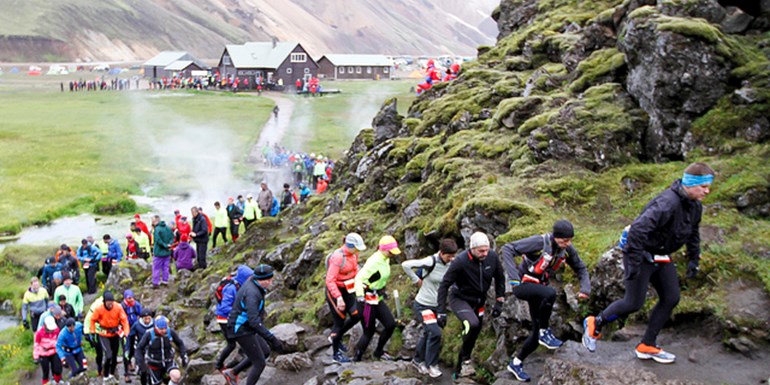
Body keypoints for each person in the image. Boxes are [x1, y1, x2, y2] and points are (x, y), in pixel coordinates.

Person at [583, 163, 715, 364]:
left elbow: (693, 232)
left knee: (671, 297)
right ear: (691, 183)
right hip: (641, 253)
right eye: (704, 186)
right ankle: (595, 322)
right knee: (633, 303)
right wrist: (634, 264)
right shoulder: (667, 203)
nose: (707, 191)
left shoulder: (695, 206)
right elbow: (637, 230)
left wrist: (693, 260)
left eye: (708, 186)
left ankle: (647, 345)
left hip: (662, 254)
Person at [501, 220, 591, 382]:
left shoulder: (566, 250)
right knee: (550, 293)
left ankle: (516, 362)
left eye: (570, 240)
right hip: (522, 285)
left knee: (534, 333)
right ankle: (544, 331)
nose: (567, 244)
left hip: (538, 289)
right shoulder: (539, 242)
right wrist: (513, 278)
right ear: (555, 237)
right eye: (564, 241)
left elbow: (581, 267)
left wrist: (585, 289)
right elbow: (507, 248)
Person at [436, 232, 505, 380]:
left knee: (474, 332)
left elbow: (500, 277)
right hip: (459, 299)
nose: (484, 254)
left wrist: (499, 300)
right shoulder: (460, 261)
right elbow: (444, 285)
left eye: (486, 250)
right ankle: (465, 359)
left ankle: (460, 367)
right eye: (481, 251)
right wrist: (441, 311)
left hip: (478, 301)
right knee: (472, 324)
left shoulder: (492, 257)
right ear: (472, 248)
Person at [401, 238, 458, 378]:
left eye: (453, 255)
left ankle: (418, 360)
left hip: (437, 307)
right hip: (423, 305)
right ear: (442, 253)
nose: (451, 258)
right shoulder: (430, 261)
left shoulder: (451, 264)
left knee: (428, 333)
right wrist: (416, 280)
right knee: (435, 333)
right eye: (449, 256)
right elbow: (405, 265)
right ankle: (431, 365)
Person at [226, 264, 284, 385]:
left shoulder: (255, 283)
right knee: (259, 363)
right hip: (240, 328)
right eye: (268, 280)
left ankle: (232, 372)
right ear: (261, 280)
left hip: (247, 325)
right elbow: (254, 321)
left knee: (265, 351)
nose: (271, 282)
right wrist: (272, 339)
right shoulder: (252, 293)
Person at [353, 236, 401, 362]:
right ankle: (356, 358)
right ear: (384, 249)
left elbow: (379, 278)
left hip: (377, 298)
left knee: (390, 324)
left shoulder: (385, 259)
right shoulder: (374, 261)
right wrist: (360, 296)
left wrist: (382, 291)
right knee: (369, 331)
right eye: (391, 251)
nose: (392, 254)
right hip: (366, 303)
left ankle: (378, 352)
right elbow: (359, 278)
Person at [325, 233, 367, 363]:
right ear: (349, 245)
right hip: (335, 291)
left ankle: (337, 337)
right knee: (339, 322)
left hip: (348, 288)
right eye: (357, 247)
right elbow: (330, 280)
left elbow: (355, 270)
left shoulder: (354, 254)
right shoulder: (338, 258)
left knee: (356, 315)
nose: (359, 250)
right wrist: (338, 298)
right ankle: (335, 354)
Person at [215, 265, 254, 376]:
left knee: (238, 341)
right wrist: (238, 311)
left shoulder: (240, 285)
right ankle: (219, 365)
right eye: (249, 278)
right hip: (224, 320)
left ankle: (237, 361)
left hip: (232, 318)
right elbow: (224, 307)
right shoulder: (231, 288)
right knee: (232, 344)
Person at [90, 291, 130, 384]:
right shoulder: (99, 309)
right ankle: (106, 375)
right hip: (104, 334)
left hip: (115, 333)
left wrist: (126, 333)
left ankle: (112, 374)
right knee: (108, 355)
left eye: (111, 302)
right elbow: (92, 320)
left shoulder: (118, 307)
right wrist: (92, 331)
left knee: (115, 356)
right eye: (108, 303)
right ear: (104, 302)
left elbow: (124, 320)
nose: (110, 305)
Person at [136, 316, 188, 385]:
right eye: (161, 329)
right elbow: (139, 349)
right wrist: (141, 364)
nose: (163, 331)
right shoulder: (149, 334)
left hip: (168, 360)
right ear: (156, 327)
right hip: (154, 363)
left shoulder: (170, 332)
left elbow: (180, 343)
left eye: (165, 328)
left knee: (176, 376)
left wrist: (183, 355)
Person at [121, 289, 143, 383]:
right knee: (126, 349)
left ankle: (131, 362)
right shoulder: (122, 306)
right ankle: (126, 373)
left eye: (132, 297)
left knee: (133, 349)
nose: (131, 300)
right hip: (124, 331)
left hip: (134, 330)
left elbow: (141, 314)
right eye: (129, 298)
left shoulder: (136, 305)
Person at [126, 309, 154, 385]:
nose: (147, 320)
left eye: (149, 318)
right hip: (140, 349)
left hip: (152, 349)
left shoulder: (154, 324)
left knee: (152, 369)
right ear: (142, 318)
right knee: (143, 370)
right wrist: (128, 348)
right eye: (145, 318)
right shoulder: (137, 325)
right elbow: (130, 337)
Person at [34, 316, 63, 385]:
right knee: (45, 372)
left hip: (54, 351)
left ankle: (57, 382)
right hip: (43, 354)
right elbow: (36, 345)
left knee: (57, 369)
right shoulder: (39, 333)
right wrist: (36, 357)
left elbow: (59, 341)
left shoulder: (56, 330)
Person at [84, 296, 104, 377]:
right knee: (99, 352)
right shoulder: (95, 309)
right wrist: (87, 333)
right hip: (95, 333)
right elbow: (88, 321)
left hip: (104, 331)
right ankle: (100, 369)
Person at [152, 216, 174, 288]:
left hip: (158, 252)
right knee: (165, 267)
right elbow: (172, 238)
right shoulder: (168, 228)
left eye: (152, 221)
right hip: (167, 252)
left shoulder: (157, 229)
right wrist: (169, 245)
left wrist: (164, 245)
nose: (152, 222)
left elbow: (158, 240)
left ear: (156, 221)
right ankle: (165, 281)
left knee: (156, 268)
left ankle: (156, 283)